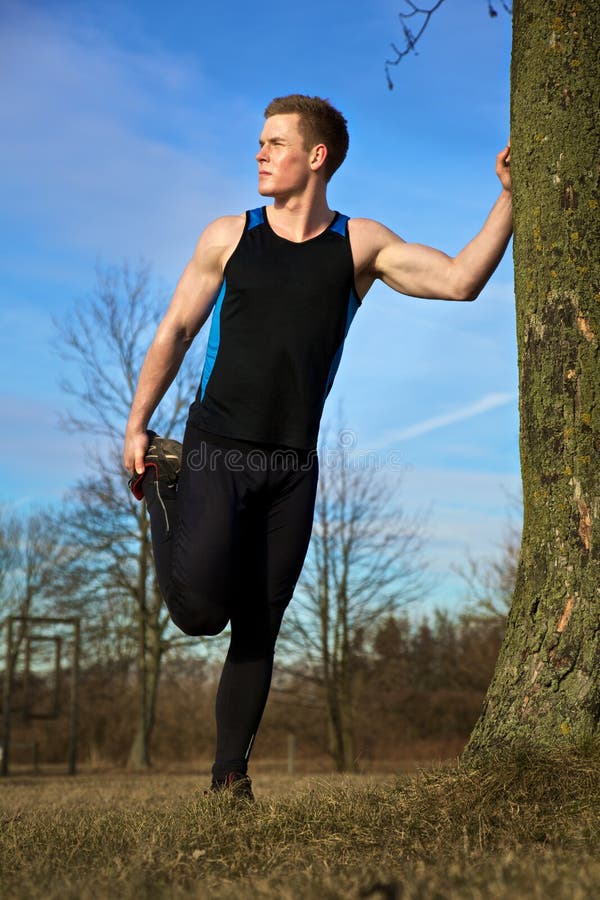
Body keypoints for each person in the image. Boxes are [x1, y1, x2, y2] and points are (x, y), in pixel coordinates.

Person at [123, 94, 512, 798]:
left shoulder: (357, 245)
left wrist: (509, 199)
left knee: (259, 627)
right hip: (214, 450)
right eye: (261, 142)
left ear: (316, 156)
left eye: (275, 142)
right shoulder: (229, 235)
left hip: (292, 466)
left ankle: (230, 778)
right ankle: (165, 486)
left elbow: (460, 281)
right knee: (200, 613)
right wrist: (137, 425)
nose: (260, 154)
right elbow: (176, 329)